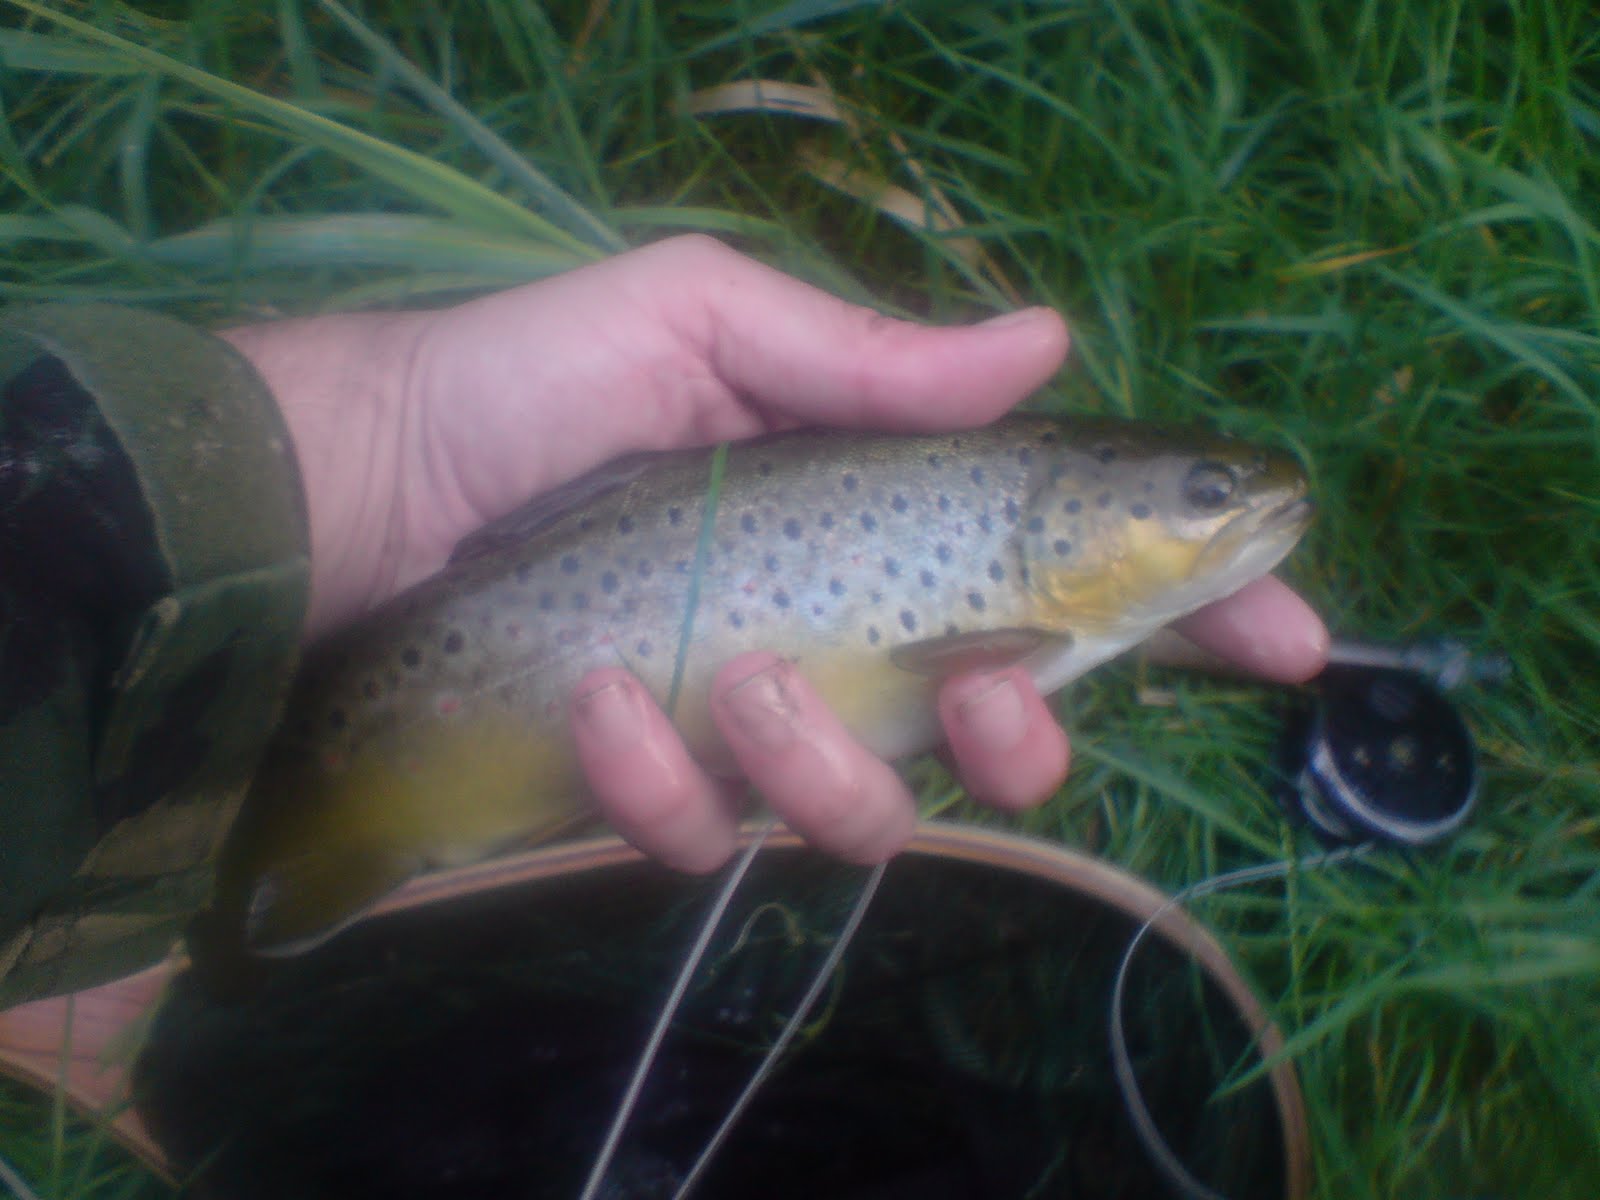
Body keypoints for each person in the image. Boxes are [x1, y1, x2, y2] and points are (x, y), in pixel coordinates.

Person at [0, 235, 1326, 1002]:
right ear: (1069, 508)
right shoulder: (1017, 597)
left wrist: (361, 436)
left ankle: (160, 896)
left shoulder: (1037, 587)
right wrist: (388, 439)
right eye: (1207, 494)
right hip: (395, 679)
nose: (1250, 502)